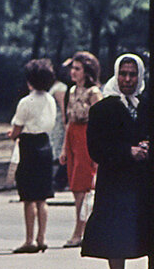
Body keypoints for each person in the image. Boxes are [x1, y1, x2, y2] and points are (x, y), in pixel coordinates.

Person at [81, 53, 149, 269]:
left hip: (144, 182)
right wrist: (127, 152)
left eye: (133, 74)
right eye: (123, 74)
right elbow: (96, 148)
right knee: (117, 238)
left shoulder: (147, 105)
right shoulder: (103, 108)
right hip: (116, 183)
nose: (128, 79)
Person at [7, 59, 57, 253]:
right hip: (45, 144)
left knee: (28, 197)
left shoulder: (26, 102)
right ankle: (41, 237)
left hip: (28, 146)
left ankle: (29, 240)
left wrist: (11, 135)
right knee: (42, 197)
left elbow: (16, 129)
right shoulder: (50, 99)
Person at [59, 51, 102, 246]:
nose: (73, 72)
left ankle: (80, 231)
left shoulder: (94, 93)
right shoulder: (72, 91)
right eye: (72, 68)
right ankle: (81, 227)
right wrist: (63, 148)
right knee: (75, 186)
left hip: (87, 136)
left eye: (77, 69)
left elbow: (100, 122)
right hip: (73, 136)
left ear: (87, 71)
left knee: (84, 186)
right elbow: (68, 120)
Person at [49, 59, 69, 190]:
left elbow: (63, 108)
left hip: (59, 125)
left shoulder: (60, 88)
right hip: (53, 124)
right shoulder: (55, 86)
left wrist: (64, 124)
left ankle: (60, 180)